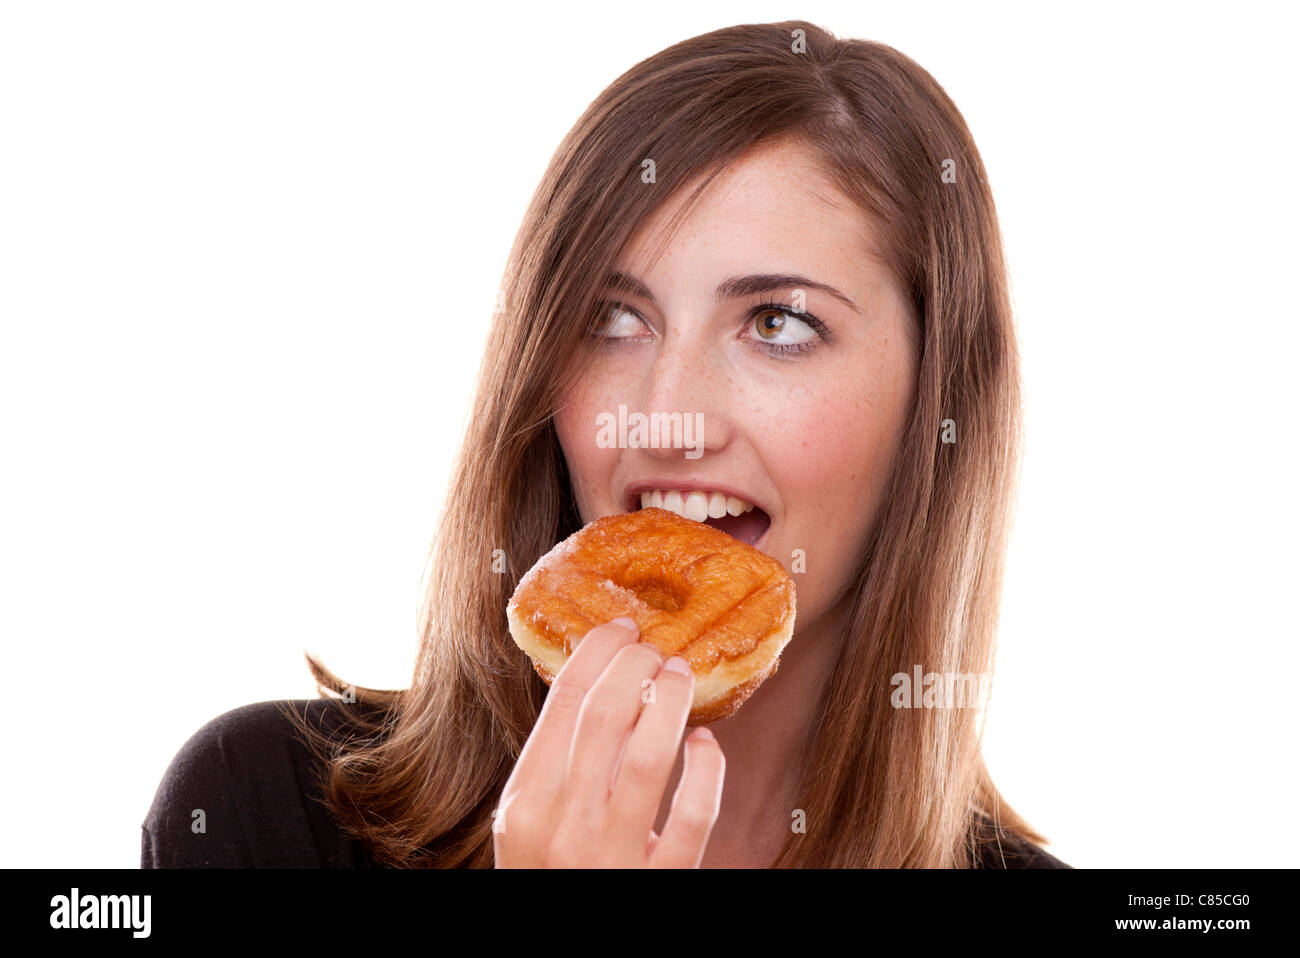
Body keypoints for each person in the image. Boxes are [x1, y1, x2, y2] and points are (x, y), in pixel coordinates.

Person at [142, 19, 1069, 869]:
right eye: (614, 318)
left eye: (779, 323)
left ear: (936, 402)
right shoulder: (260, 815)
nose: (668, 412)